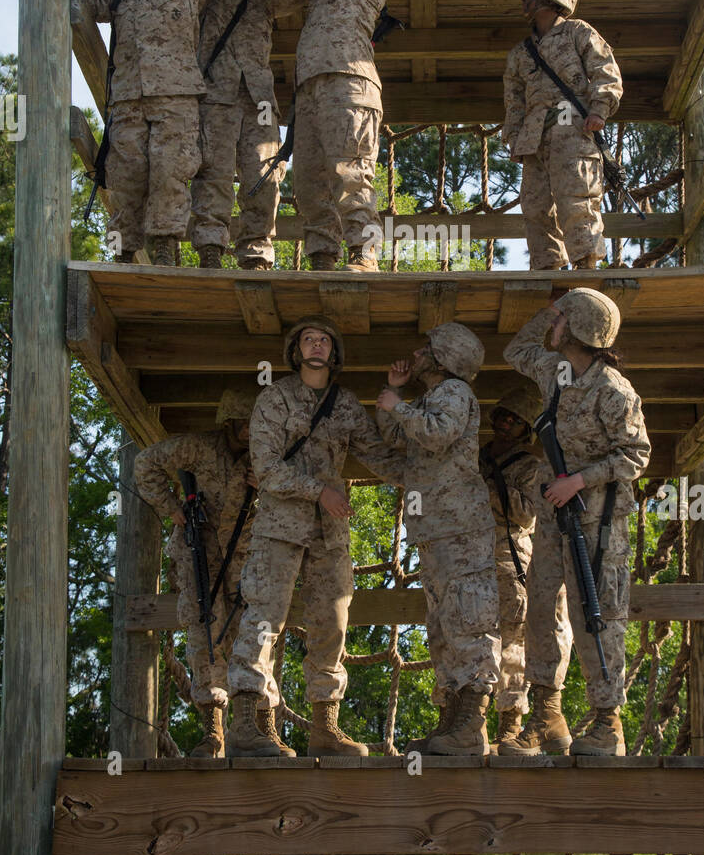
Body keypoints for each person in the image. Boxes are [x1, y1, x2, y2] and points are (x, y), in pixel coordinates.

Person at [71, 0, 267, 265]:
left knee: (171, 174)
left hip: (177, 99)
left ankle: (166, 245)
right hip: (127, 101)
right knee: (125, 179)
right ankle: (123, 249)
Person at [227, 318, 404, 758]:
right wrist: (319, 490)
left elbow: (378, 454)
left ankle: (325, 728)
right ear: (295, 350)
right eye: (308, 338)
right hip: (280, 527)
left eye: (324, 339)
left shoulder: (344, 404)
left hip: (330, 532)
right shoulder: (274, 398)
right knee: (265, 618)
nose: (317, 344)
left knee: (332, 621)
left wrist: (397, 413)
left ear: (334, 352)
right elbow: (266, 468)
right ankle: (252, 727)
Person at [502, 289, 650, 756]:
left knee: (596, 614)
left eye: (564, 317)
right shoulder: (556, 371)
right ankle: (547, 716)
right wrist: (547, 314)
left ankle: (608, 723)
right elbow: (516, 352)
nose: (556, 324)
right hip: (553, 517)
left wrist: (580, 480)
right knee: (542, 609)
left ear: (580, 327)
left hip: (596, 520)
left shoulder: (614, 389)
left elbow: (636, 454)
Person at [376, 323, 501, 755]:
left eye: (427, 346)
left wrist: (398, 405)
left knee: (469, 619)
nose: (417, 351)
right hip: (436, 530)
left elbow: (437, 433)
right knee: (444, 625)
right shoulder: (431, 397)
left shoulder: (454, 393)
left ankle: (471, 723)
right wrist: (394, 398)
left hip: (459, 528)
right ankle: (451, 719)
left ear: (444, 358)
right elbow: (397, 439)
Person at [134, 389, 266, 758]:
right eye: (241, 423)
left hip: (244, 552)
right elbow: (146, 463)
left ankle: (251, 727)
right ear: (228, 422)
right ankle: (213, 732)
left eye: (251, 424)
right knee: (203, 628)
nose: (246, 431)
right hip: (200, 552)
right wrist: (172, 508)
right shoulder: (197, 448)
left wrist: (266, 485)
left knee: (252, 632)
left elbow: (296, 488)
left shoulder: (265, 455)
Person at [288, 0, 402, 271]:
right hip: (311, 88)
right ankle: (322, 255)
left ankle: (363, 252)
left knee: (351, 173)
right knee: (310, 183)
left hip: (350, 83)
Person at [190, 0, 303, 270]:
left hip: (260, 102)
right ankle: (209, 247)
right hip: (215, 96)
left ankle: (256, 251)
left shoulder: (262, 1)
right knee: (213, 172)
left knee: (265, 174)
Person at [502, 0, 622, 271]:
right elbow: (513, 101)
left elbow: (604, 71)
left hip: (573, 131)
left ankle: (587, 265)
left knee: (576, 198)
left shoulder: (578, 32)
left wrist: (599, 109)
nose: (524, 0)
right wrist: (514, 139)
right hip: (533, 140)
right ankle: (546, 269)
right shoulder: (520, 54)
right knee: (535, 206)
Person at [479, 384, 573, 748]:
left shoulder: (531, 467)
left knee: (511, 645)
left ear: (526, 430)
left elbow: (526, 513)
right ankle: (471, 720)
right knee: (473, 639)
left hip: (510, 559)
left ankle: (511, 723)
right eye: (503, 415)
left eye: (516, 420)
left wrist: (488, 489)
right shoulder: (476, 458)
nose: (506, 423)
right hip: (471, 560)